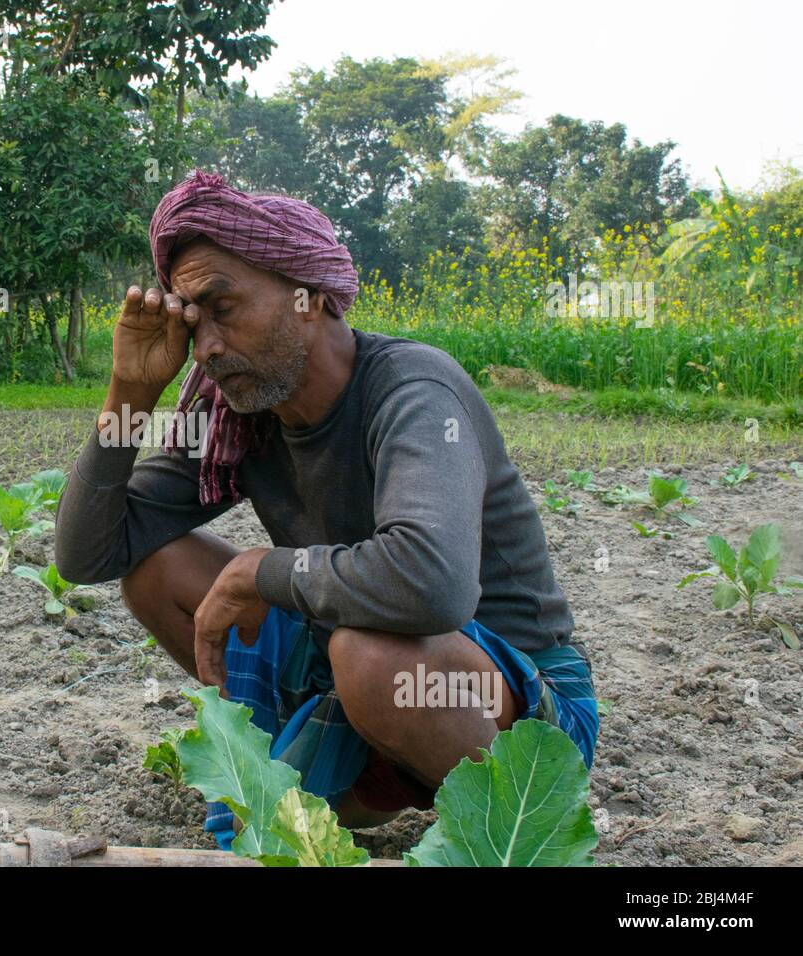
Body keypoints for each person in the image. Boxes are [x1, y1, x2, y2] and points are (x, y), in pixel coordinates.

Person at [54, 170, 598, 848]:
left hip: (517, 713)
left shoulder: (413, 390)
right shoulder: (241, 413)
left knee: (368, 655)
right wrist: (129, 394)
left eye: (224, 308)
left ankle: (497, 807)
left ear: (308, 297)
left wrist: (263, 572)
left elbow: (435, 582)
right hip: (352, 674)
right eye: (195, 322)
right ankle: (361, 780)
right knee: (157, 569)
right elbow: (88, 555)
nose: (209, 346)